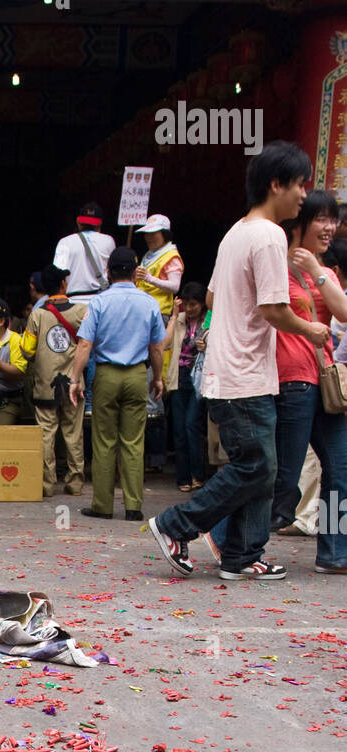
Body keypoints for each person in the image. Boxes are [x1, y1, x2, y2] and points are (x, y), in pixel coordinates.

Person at [147, 141, 330, 581]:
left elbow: (211, 296)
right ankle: (175, 526)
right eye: (299, 185)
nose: (304, 196)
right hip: (244, 375)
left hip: (231, 370)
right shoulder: (269, 235)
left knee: (259, 470)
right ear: (275, 184)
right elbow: (273, 309)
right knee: (258, 466)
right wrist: (311, 329)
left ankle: (243, 556)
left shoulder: (235, 232)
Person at [270, 189, 347, 574]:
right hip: (291, 378)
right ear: (299, 223)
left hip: (324, 381)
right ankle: (223, 532)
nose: (330, 227)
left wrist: (316, 270)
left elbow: (344, 311)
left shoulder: (324, 271)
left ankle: (334, 553)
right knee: (283, 475)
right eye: (322, 219)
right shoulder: (274, 264)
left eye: (333, 219)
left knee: (341, 467)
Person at [69, 246, 165, 521]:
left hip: (107, 375)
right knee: (134, 442)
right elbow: (157, 348)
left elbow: (85, 344)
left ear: (109, 272)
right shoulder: (149, 303)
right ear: (135, 273)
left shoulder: (99, 302)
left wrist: (75, 379)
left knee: (104, 441)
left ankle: (103, 505)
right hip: (136, 374)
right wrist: (157, 378)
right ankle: (133, 506)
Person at [22, 264, 86, 496]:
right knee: (73, 433)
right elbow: (89, 344)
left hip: (45, 385)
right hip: (73, 384)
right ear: (63, 285)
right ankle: (75, 482)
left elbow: (27, 350)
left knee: (46, 435)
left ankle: (46, 484)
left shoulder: (37, 315)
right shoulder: (81, 312)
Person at [162, 281, 207, 490]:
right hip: (179, 376)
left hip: (198, 376)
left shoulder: (209, 321)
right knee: (179, 429)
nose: (189, 309)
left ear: (202, 304)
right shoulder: (179, 320)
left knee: (192, 426)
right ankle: (183, 478)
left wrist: (205, 346)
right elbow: (165, 343)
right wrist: (173, 316)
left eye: (193, 305)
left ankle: (197, 473)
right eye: (186, 304)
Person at [53, 202, 115, 306]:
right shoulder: (109, 241)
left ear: (78, 222)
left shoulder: (65, 242)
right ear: (100, 223)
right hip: (100, 302)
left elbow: (56, 275)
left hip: (71, 304)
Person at [134, 214, 184, 321]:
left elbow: (175, 287)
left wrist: (150, 278)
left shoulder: (170, 256)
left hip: (158, 312)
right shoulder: (149, 254)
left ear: (164, 234)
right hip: (141, 309)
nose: (148, 237)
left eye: (153, 233)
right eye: (146, 233)